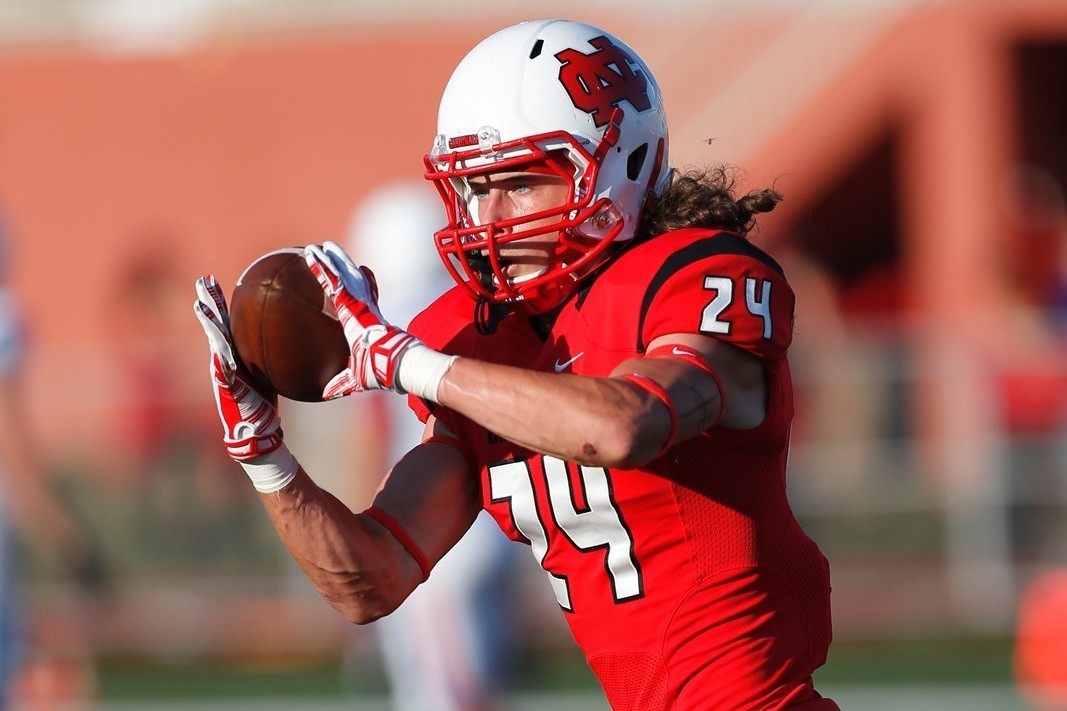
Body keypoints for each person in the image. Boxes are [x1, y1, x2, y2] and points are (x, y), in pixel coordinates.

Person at [194, 18, 838, 710]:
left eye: (522, 181)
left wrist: (409, 362)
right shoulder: (478, 339)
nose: (489, 215)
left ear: (618, 165)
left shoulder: (691, 278)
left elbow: (628, 425)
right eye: (473, 185)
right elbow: (371, 578)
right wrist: (265, 457)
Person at [341, 183, 519, 711]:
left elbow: (372, 440)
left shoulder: (383, 322)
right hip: (503, 513)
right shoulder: (466, 307)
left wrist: (358, 538)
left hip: (432, 527)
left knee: (443, 696)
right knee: (476, 684)